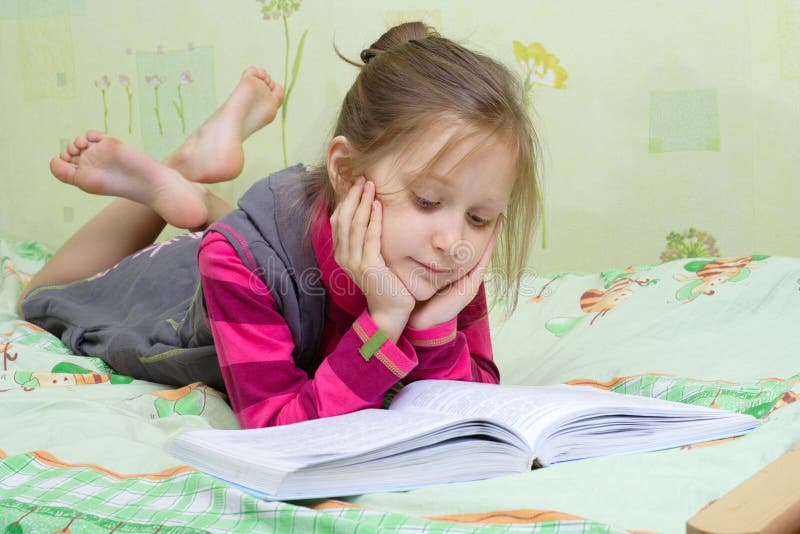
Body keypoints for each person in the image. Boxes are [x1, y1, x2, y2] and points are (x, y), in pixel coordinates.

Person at [17, 22, 539, 429]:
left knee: (271, 254)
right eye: (426, 201)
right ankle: (186, 165)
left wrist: (433, 330)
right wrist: (380, 327)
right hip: (204, 290)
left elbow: (473, 401)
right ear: (347, 171)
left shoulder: (441, 256)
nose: (453, 241)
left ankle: (197, 188)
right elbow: (275, 424)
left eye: (480, 217)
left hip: (286, 243)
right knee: (43, 296)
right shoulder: (238, 263)